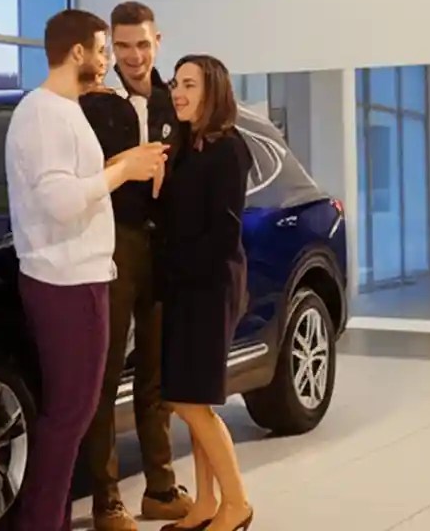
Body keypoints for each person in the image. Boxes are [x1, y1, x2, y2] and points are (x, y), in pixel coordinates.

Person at [5, 9, 168, 531]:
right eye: (102, 50)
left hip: (81, 276)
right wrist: (124, 170)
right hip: (65, 281)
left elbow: (71, 185)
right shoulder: (45, 113)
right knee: (70, 415)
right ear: (78, 53)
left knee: (70, 415)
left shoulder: (61, 109)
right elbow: (58, 201)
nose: (106, 61)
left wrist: (117, 169)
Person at [79, 1, 191, 531]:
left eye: (142, 44)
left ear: (157, 42)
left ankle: (161, 489)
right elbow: (74, 178)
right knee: (104, 376)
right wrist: (125, 168)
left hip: (163, 250)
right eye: (122, 46)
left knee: (156, 375)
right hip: (112, 247)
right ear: (111, 48)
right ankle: (106, 501)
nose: (133, 56)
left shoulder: (176, 101)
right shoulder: (91, 106)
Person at [156, 55, 254, 531]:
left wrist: (178, 266)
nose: (178, 92)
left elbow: (223, 233)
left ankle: (237, 503)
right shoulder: (190, 145)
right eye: (176, 84)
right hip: (185, 285)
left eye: (189, 84)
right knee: (193, 398)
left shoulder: (229, 150)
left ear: (213, 90)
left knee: (191, 401)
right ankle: (205, 503)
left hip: (209, 286)